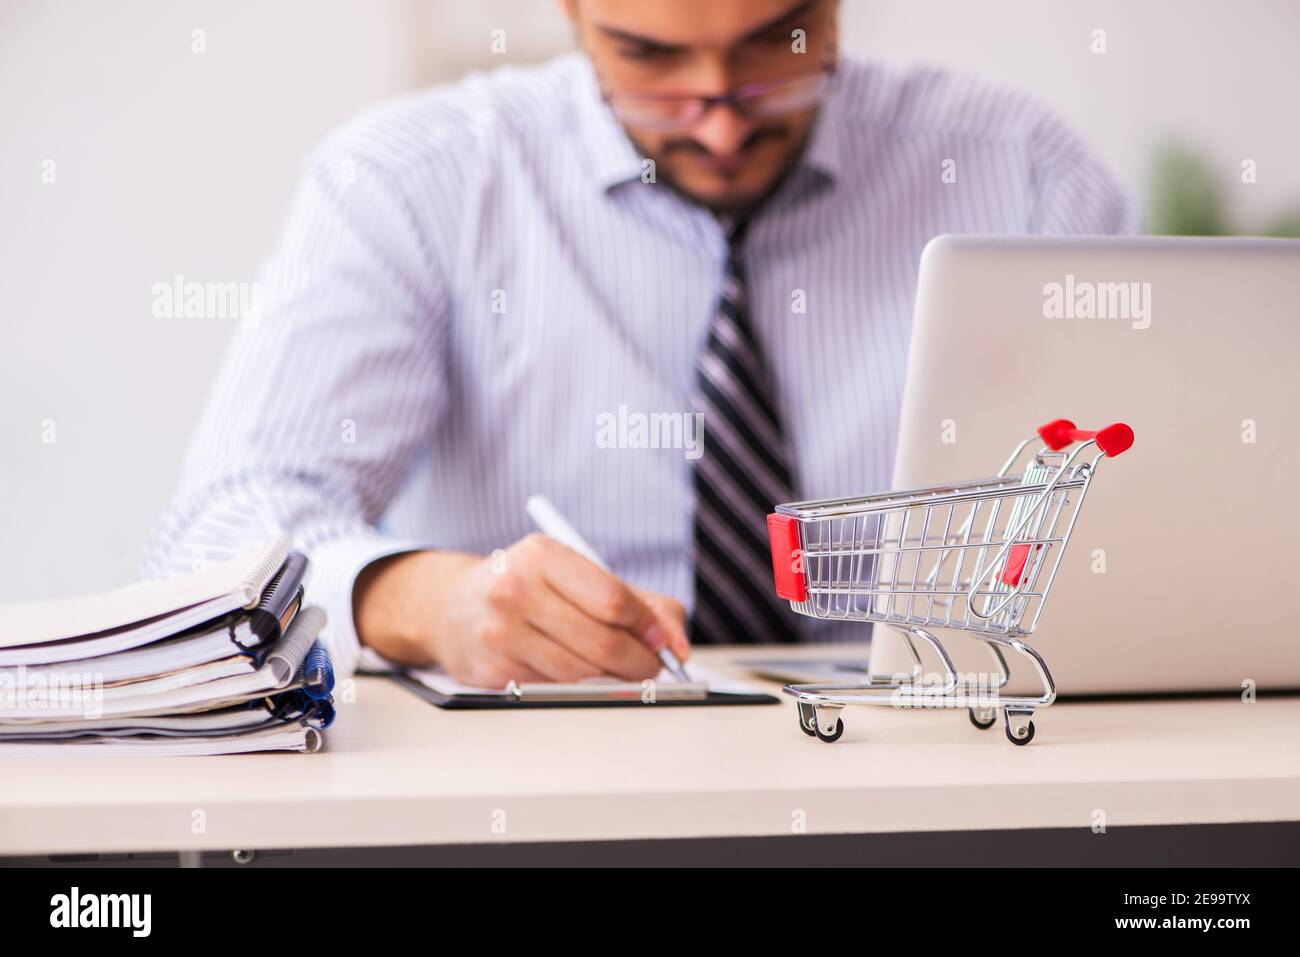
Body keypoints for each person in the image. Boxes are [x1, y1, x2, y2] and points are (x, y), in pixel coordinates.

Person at [145, 0, 1137, 685]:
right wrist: (427, 602)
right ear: (572, 13)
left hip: (943, 767)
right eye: (650, 58)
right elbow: (219, 532)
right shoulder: (412, 182)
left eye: (776, 42)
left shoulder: (1021, 174)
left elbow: (1150, 510)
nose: (719, 123)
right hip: (548, 784)